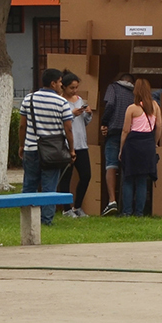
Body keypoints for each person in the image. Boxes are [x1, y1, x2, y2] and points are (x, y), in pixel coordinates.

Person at [20, 68, 74, 227]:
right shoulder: (61, 102)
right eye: (59, 82)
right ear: (53, 83)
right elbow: (68, 129)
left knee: (29, 185)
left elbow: (22, 126)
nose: (61, 85)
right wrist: (71, 149)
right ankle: (46, 220)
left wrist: (21, 145)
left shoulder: (28, 99)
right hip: (53, 151)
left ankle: (28, 220)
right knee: (49, 187)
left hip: (31, 148)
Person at [120, 78, 162, 217]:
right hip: (148, 143)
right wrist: (154, 142)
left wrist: (121, 149)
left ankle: (126, 211)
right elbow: (159, 126)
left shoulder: (132, 108)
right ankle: (139, 212)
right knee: (142, 180)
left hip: (133, 144)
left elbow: (126, 130)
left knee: (128, 178)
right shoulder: (155, 106)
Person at [97, 71, 135, 215]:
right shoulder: (135, 93)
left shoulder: (113, 87)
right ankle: (127, 207)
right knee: (126, 169)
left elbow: (110, 104)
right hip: (131, 134)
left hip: (113, 132)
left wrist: (104, 123)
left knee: (111, 165)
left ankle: (112, 201)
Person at [59, 71, 92, 217]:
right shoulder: (60, 102)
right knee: (66, 176)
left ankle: (77, 206)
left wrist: (88, 114)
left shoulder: (80, 100)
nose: (74, 90)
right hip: (66, 144)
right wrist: (72, 114)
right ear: (64, 87)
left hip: (81, 143)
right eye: (71, 88)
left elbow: (84, 122)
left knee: (86, 175)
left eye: (76, 87)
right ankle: (66, 208)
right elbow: (59, 122)